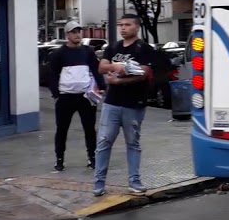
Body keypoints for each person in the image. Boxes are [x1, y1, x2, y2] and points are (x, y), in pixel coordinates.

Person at [94, 14, 154, 196]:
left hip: (133, 104)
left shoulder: (144, 49)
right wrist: (120, 66)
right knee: (104, 141)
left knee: (133, 143)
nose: (123, 28)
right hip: (111, 103)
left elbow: (143, 73)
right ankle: (98, 183)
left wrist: (119, 78)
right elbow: (101, 67)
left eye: (127, 25)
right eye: (121, 25)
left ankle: (134, 182)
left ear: (136, 27)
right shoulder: (113, 47)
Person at [47, 21, 102, 172]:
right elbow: (52, 74)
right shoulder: (59, 54)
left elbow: (96, 70)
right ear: (67, 35)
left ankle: (93, 158)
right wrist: (56, 94)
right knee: (62, 129)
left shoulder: (88, 51)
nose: (77, 34)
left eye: (79, 31)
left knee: (89, 129)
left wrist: (101, 87)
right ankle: (59, 159)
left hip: (85, 96)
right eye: (73, 32)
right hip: (66, 97)